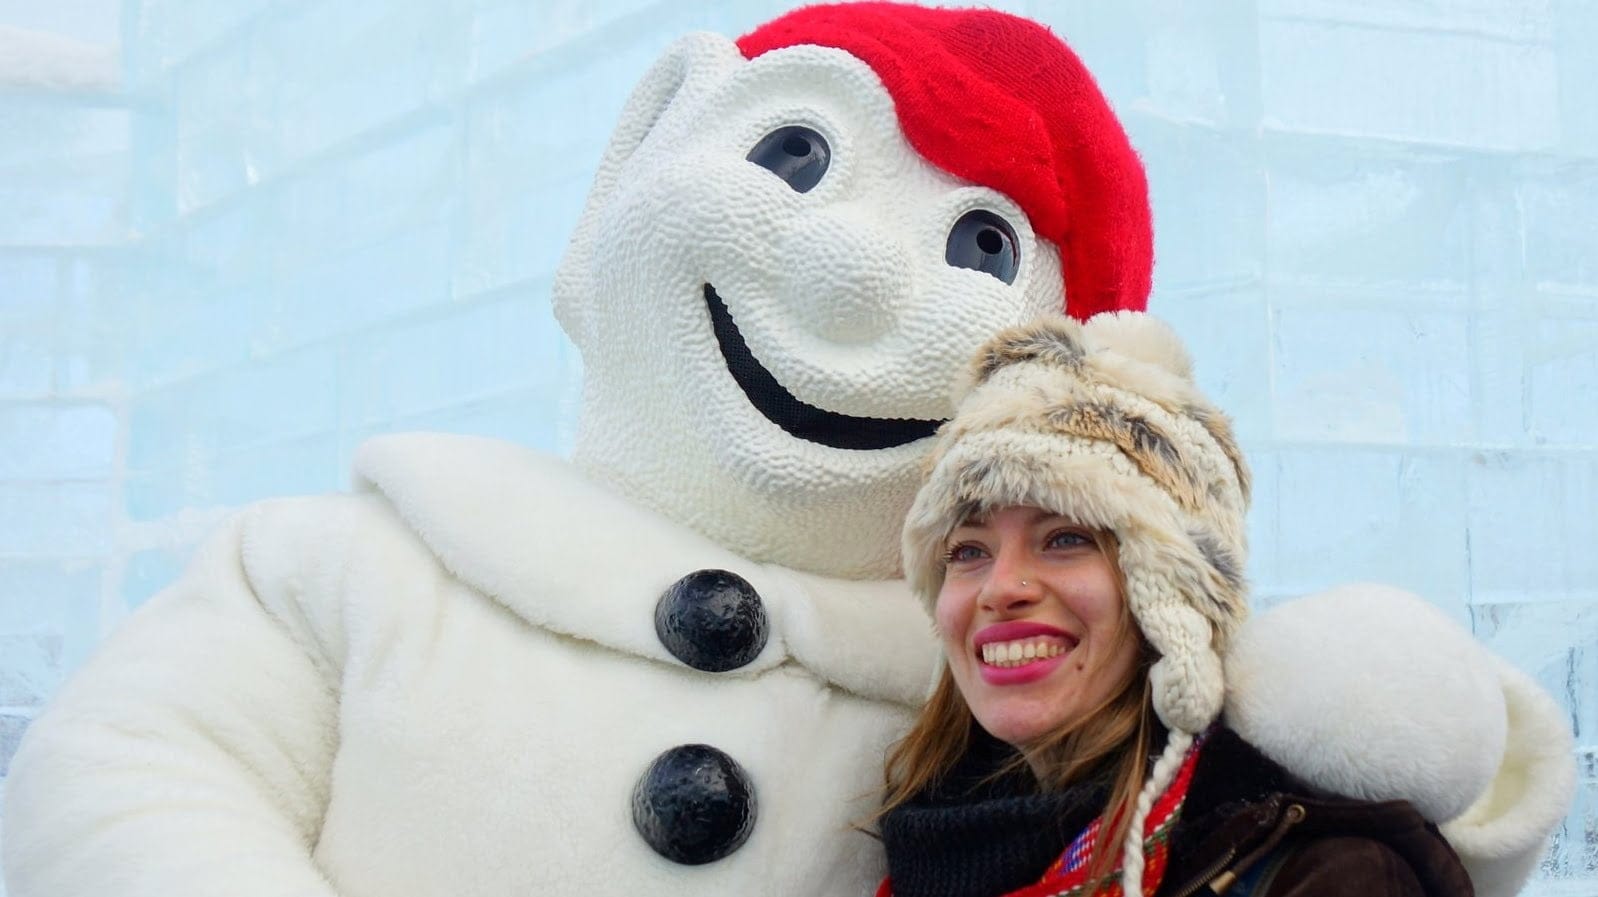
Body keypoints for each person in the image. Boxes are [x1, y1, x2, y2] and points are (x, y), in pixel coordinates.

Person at [878, 311, 1478, 897]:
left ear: (1175, 591)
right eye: (968, 551)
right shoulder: (917, 835)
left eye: (1066, 538)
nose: (1000, 586)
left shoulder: (1329, 876)